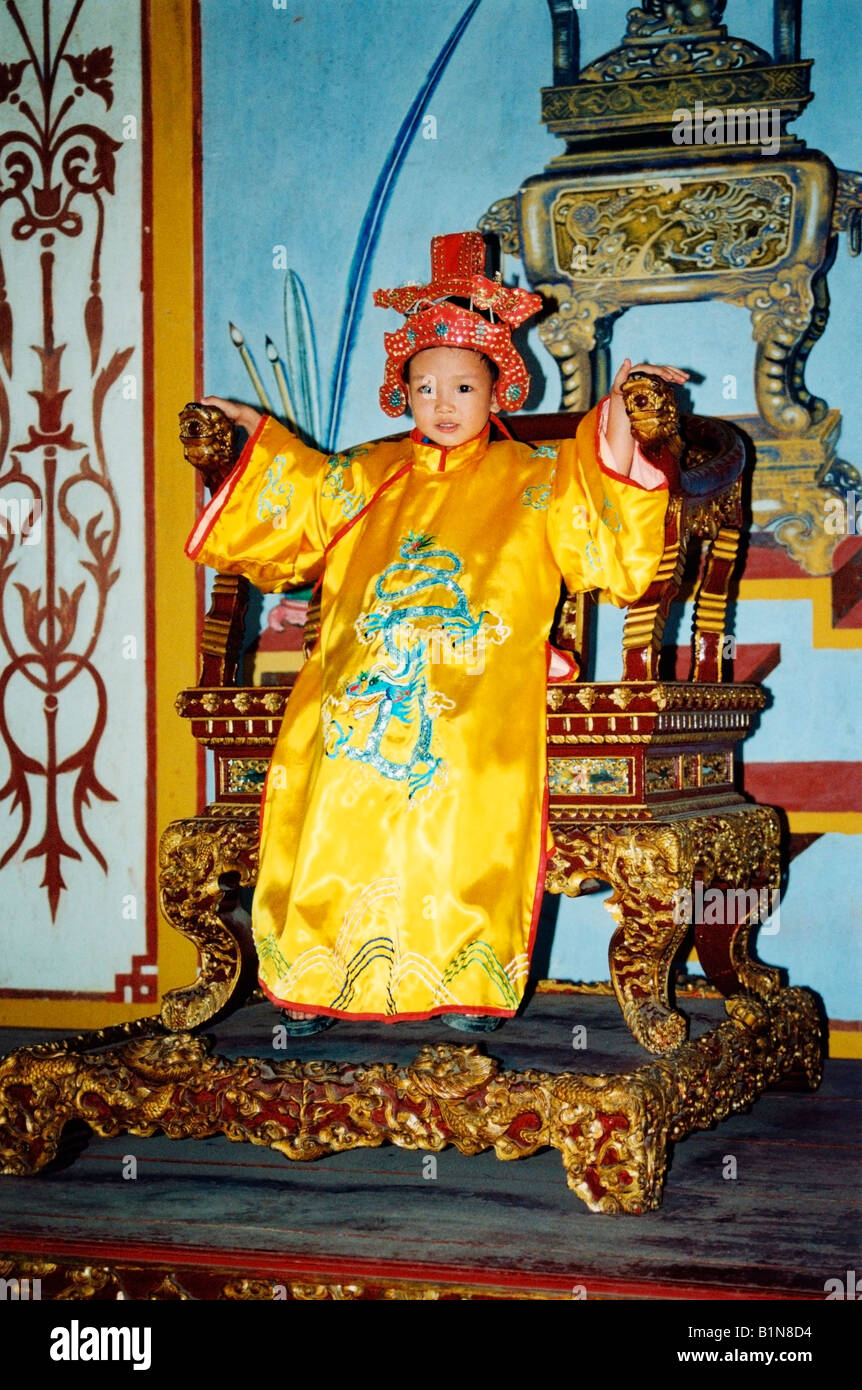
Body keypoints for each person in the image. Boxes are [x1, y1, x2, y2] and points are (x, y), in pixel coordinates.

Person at [187, 231, 687, 1035]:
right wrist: (248, 434)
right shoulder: (366, 476)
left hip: (480, 678)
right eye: (425, 388)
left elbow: (604, 540)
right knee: (332, 780)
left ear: (497, 390)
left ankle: (462, 973)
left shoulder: (537, 478)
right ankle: (317, 976)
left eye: (462, 386)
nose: (444, 404)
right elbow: (293, 500)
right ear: (404, 393)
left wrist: (624, 416)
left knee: (465, 784)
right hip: (362, 676)